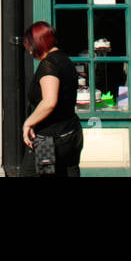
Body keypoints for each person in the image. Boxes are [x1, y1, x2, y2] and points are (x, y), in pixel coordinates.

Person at [20, 21, 83, 177]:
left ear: (38, 44)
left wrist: (28, 122)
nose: (30, 53)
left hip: (49, 139)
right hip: (72, 133)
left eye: (30, 47)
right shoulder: (64, 59)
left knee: (31, 174)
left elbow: (49, 102)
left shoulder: (49, 64)